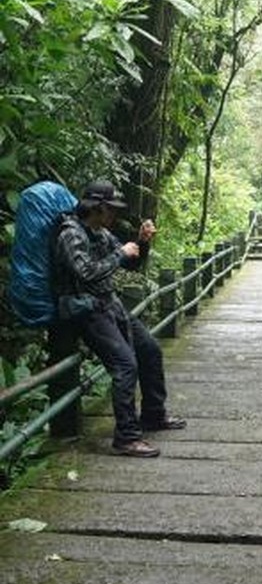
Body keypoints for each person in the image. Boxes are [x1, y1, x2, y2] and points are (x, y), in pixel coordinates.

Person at [53, 179, 186, 457]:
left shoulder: (100, 232)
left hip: (109, 305)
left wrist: (142, 242)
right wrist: (119, 253)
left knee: (149, 350)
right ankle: (126, 437)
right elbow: (86, 272)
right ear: (96, 207)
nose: (114, 214)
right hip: (86, 311)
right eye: (110, 208)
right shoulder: (71, 234)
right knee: (126, 365)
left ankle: (153, 414)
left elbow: (131, 261)